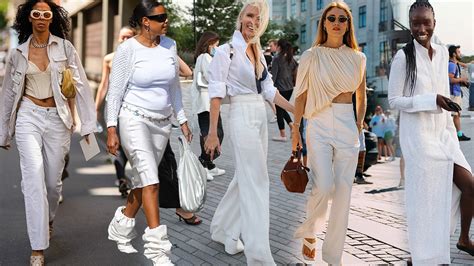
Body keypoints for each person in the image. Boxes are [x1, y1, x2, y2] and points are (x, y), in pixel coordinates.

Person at [0, 1, 97, 265]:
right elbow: (8, 93)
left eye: (47, 14)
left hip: (58, 118)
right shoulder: (18, 53)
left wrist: (87, 125)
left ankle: (49, 219)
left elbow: (80, 86)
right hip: (28, 116)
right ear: (29, 18)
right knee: (33, 178)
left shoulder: (65, 48)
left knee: (52, 185)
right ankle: (38, 247)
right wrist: (3, 133)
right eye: (36, 14)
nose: (41, 18)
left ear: (52, 18)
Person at [204, 1, 294, 264]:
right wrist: (212, 133)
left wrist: (296, 110)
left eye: (258, 18)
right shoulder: (225, 51)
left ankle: (222, 230)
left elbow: (268, 90)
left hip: (259, 116)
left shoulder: (258, 52)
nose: (253, 21)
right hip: (241, 116)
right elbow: (216, 94)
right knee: (257, 182)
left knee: (245, 178)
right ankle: (259, 256)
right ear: (241, 17)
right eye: (249, 15)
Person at [105, 1, 192, 264]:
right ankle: (158, 251)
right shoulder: (127, 50)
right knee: (152, 182)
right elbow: (115, 92)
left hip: (162, 124)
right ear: (145, 21)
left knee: (145, 183)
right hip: (133, 120)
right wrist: (111, 129)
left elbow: (174, 88)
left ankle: (120, 226)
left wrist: (183, 119)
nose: (166, 21)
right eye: (160, 17)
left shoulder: (169, 46)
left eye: (166, 16)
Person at [388, 0, 474, 263]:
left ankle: (463, 239)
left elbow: (444, 95)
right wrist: (431, 100)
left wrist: (451, 127)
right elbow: (394, 101)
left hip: (444, 135)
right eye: (415, 23)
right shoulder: (403, 58)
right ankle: (422, 255)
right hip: (420, 139)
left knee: (469, 186)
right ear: (410, 25)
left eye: (426, 22)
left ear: (435, 23)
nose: (421, 27)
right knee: (426, 200)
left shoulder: (442, 54)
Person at [290, 1, 367, 263]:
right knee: (323, 186)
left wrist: (358, 125)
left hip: (347, 124)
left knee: (344, 193)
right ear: (323, 23)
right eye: (331, 18)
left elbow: (361, 94)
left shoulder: (358, 57)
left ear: (348, 25)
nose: (336, 22)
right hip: (319, 123)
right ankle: (310, 230)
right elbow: (300, 95)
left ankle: (333, 257)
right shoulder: (312, 55)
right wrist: (295, 131)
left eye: (342, 19)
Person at [95, 26, 135, 197]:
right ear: (118, 39)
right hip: (113, 108)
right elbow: (104, 85)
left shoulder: (137, 57)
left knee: (128, 145)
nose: (125, 40)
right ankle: (122, 179)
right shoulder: (109, 59)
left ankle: (128, 177)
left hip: (132, 107)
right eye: (123, 37)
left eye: (129, 37)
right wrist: (95, 108)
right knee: (116, 144)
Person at [191, 31, 226, 180]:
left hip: (207, 102)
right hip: (206, 103)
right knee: (210, 134)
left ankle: (208, 164)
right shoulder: (205, 57)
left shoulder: (203, 57)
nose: (216, 48)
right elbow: (210, 75)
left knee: (218, 133)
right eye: (215, 45)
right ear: (208, 44)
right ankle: (202, 164)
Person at [271, 39, 297, 142]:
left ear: (279, 46)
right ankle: (292, 126)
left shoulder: (277, 58)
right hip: (290, 88)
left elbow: (273, 75)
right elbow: (296, 68)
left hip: (280, 88)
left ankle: (282, 135)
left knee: (279, 111)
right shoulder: (291, 58)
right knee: (282, 108)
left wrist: (270, 88)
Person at [448, 45, 470, 141]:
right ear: (454, 54)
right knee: (455, 114)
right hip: (453, 94)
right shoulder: (452, 65)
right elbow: (450, 79)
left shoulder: (454, 64)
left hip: (456, 93)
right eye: (458, 52)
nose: (460, 54)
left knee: (457, 114)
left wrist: (462, 82)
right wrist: (462, 79)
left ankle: (456, 134)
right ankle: (458, 135)